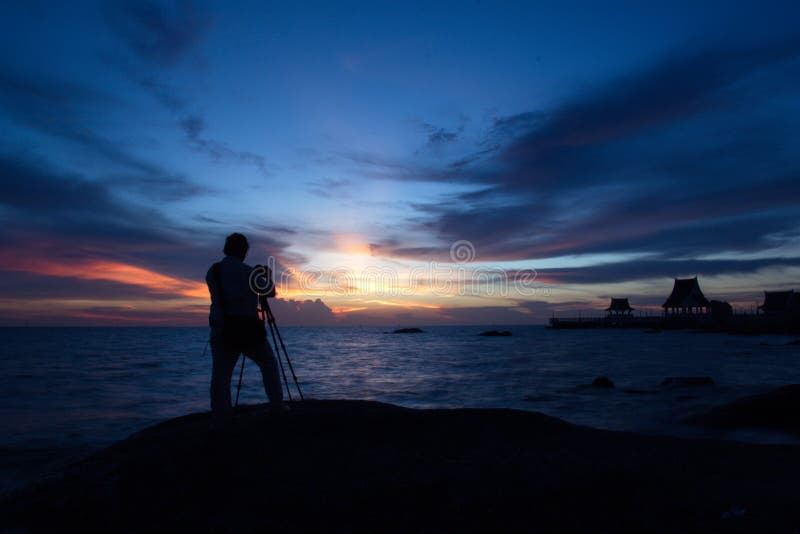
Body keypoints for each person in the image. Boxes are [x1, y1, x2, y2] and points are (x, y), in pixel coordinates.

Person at [206, 232, 285, 428]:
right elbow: (271, 291)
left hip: (222, 330)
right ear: (243, 251)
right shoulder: (249, 273)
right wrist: (264, 275)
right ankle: (277, 406)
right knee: (269, 365)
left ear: (226, 248)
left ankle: (221, 418)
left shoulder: (212, 272)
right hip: (249, 331)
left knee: (221, 377)